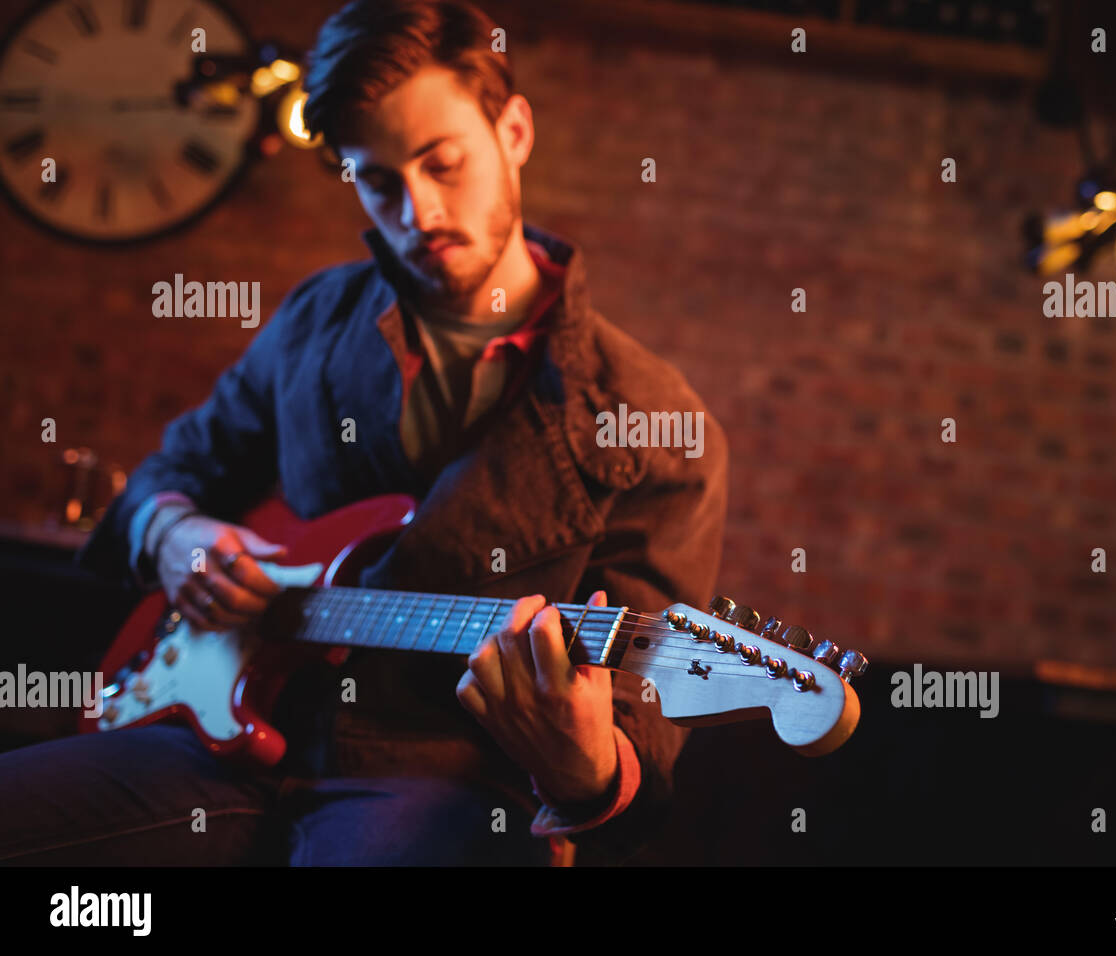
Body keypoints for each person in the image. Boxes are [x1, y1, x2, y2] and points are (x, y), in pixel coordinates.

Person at [0, 0, 727, 866]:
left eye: (442, 163)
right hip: (212, 735)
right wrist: (175, 536)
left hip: (442, 785)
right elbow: (173, 471)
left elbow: (639, 750)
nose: (418, 211)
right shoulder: (315, 316)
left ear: (516, 130)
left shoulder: (658, 421)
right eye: (377, 180)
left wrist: (585, 771)